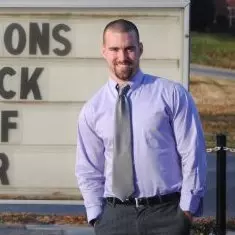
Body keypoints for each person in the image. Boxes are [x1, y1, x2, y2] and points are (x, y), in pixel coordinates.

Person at [75, 19, 207, 235]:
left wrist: (186, 210)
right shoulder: (92, 109)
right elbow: (88, 169)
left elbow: (193, 154)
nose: (122, 56)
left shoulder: (171, 95)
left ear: (140, 49)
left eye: (129, 49)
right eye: (115, 49)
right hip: (114, 218)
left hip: (166, 215)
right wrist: (96, 215)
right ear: (104, 52)